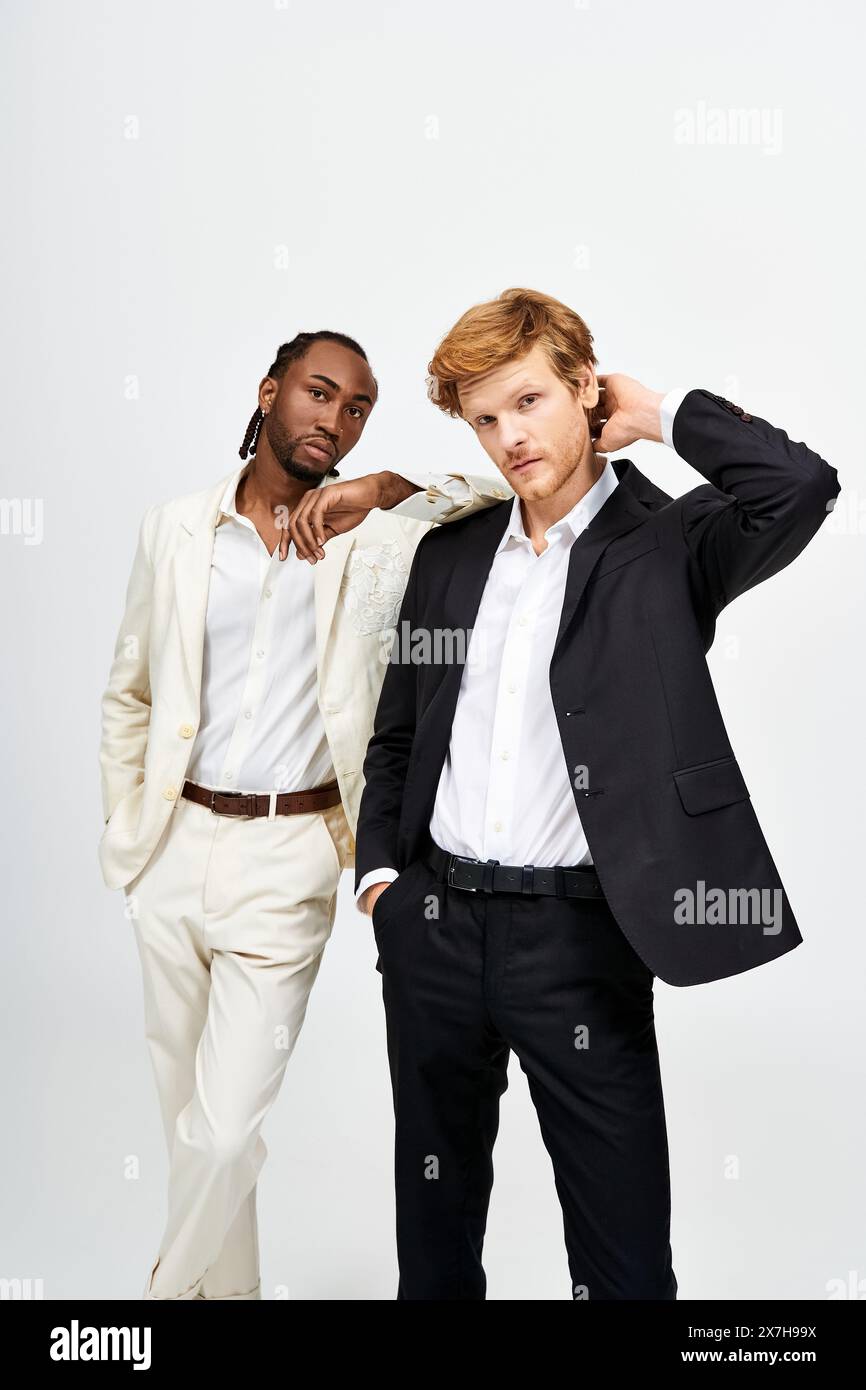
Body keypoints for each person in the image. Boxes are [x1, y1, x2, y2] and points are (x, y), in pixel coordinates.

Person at [349, 286, 840, 1299]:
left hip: (580, 940)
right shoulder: (450, 555)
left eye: (528, 402)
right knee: (431, 1234)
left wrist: (658, 412)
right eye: (485, 419)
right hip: (432, 928)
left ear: (584, 387)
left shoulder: (667, 547)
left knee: (620, 1257)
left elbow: (799, 486)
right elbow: (397, 732)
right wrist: (382, 882)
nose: (508, 437)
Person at [98, 329, 511, 1300]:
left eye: (357, 406)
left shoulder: (373, 535)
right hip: (170, 847)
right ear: (268, 392)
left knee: (226, 1126)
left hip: (290, 852)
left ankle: (152, 1305)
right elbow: (130, 690)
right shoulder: (175, 530)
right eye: (318, 393)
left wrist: (382, 487)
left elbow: (500, 493)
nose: (335, 418)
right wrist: (125, 828)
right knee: (187, 1122)